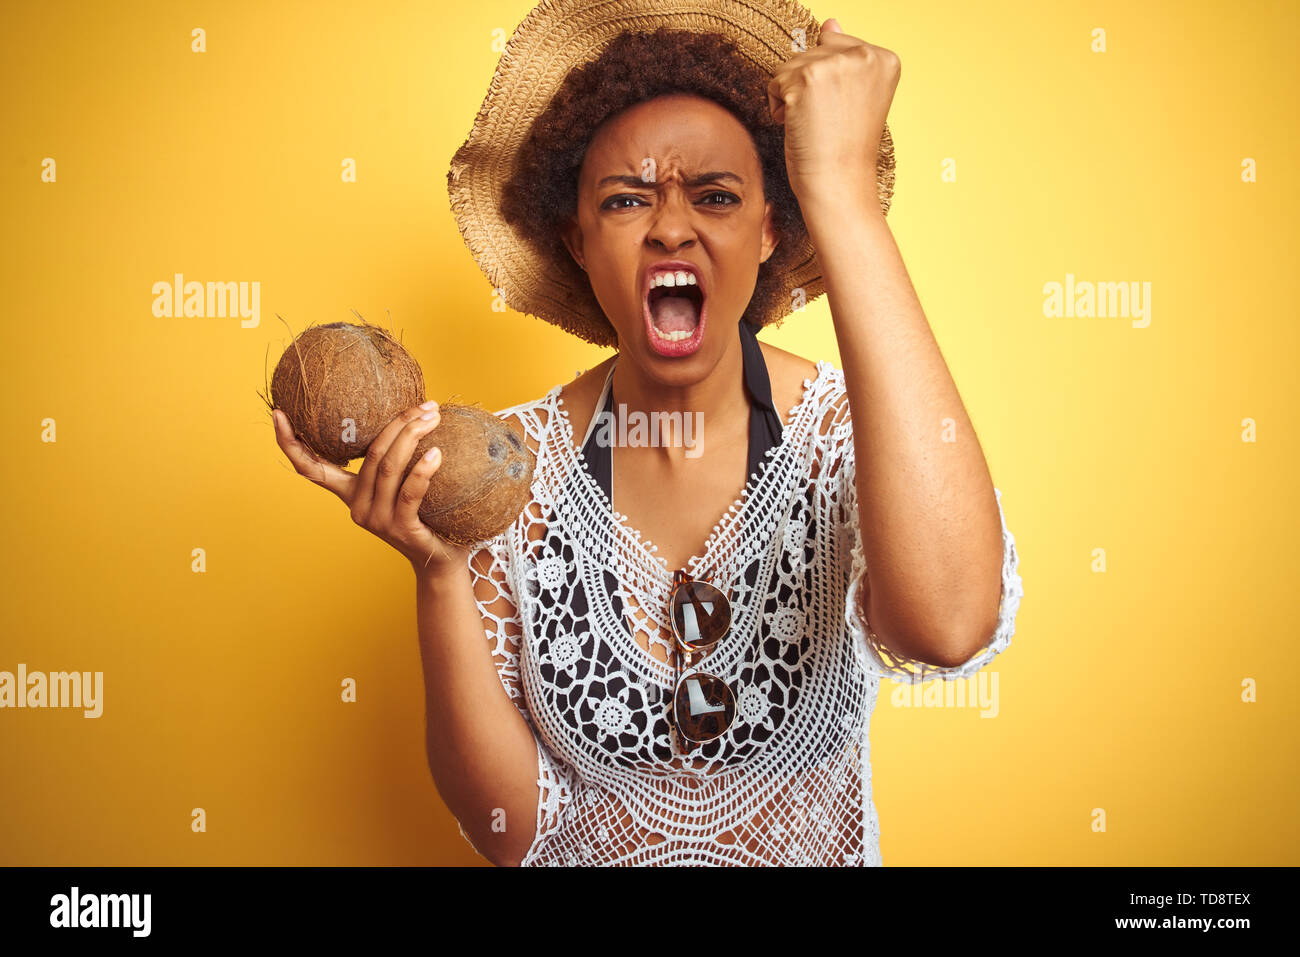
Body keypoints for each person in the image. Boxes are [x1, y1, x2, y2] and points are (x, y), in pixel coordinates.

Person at [273, 0, 1023, 866]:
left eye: (716, 195)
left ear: (774, 226)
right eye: (627, 199)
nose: (672, 226)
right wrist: (440, 573)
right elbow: (515, 835)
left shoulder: (856, 442)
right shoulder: (506, 474)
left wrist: (843, 196)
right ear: (579, 240)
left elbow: (950, 625)